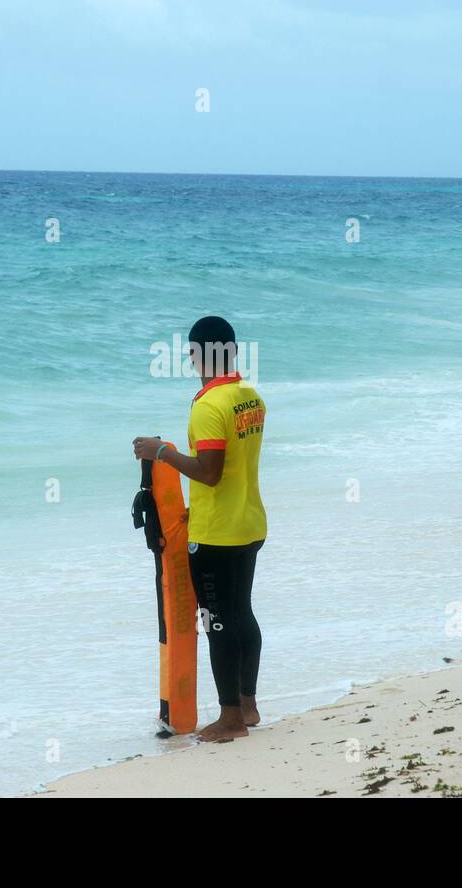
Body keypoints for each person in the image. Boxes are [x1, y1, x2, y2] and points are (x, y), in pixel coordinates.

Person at [133, 316, 266, 743]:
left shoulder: (209, 405)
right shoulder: (249, 396)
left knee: (219, 623)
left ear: (199, 354)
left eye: (191, 353)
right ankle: (247, 706)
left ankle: (229, 720)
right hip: (249, 522)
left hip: (215, 535)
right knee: (241, 613)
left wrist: (163, 452)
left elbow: (209, 473)